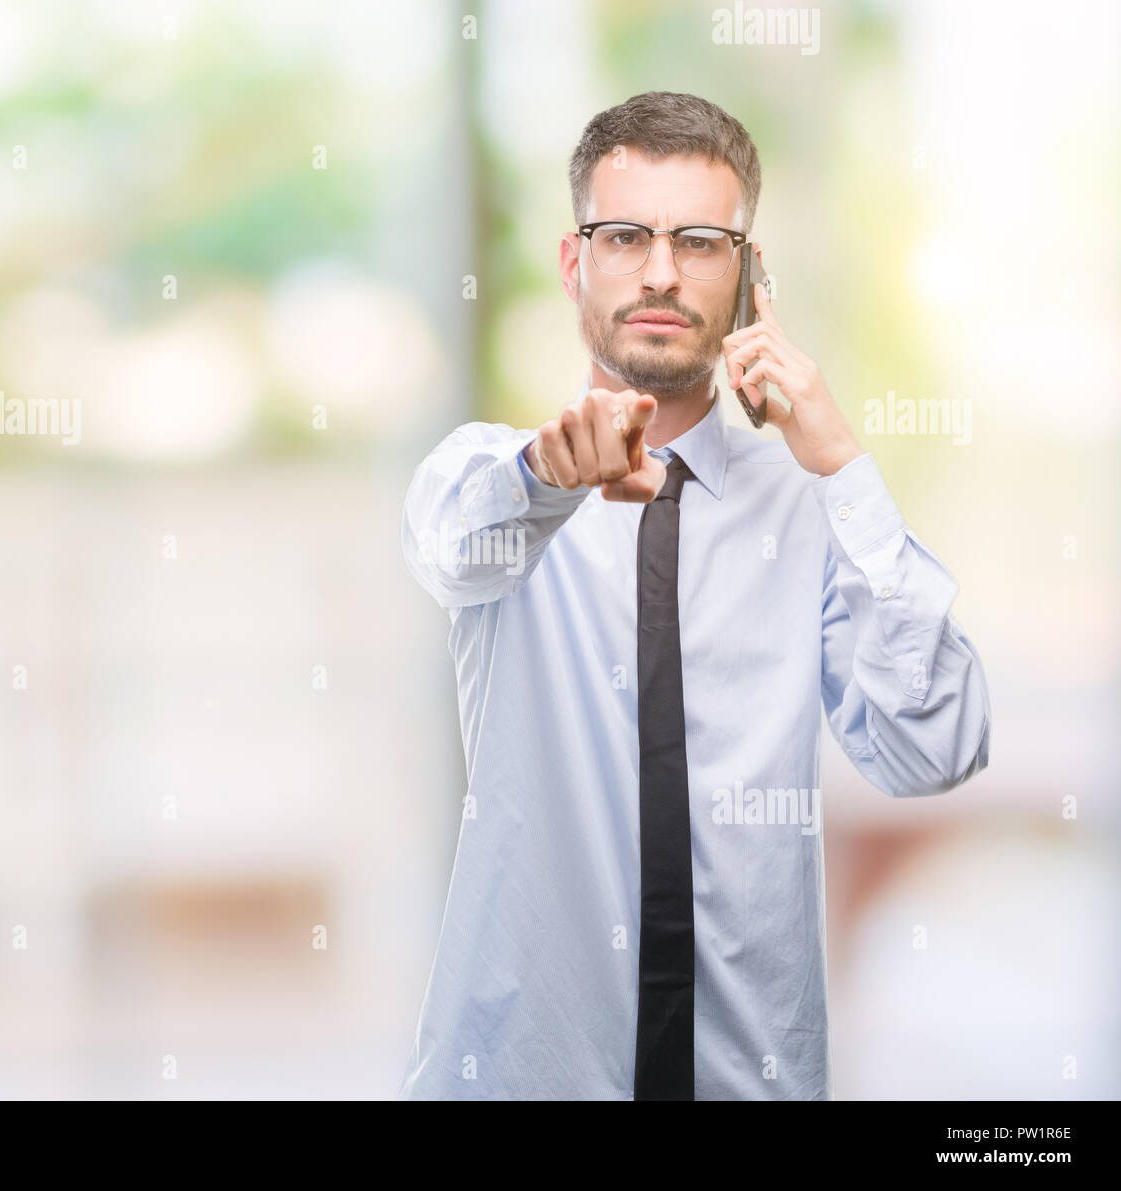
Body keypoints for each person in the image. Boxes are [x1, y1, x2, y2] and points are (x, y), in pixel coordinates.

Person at [398, 91, 991, 1100]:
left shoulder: (812, 512)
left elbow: (931, 749)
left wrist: (841, 463)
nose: (662, 273)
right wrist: (549, 475)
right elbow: (461, 552)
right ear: (573, 261)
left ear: (751, 276)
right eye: (624, 235)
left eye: (701, 241)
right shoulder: (489, 478)